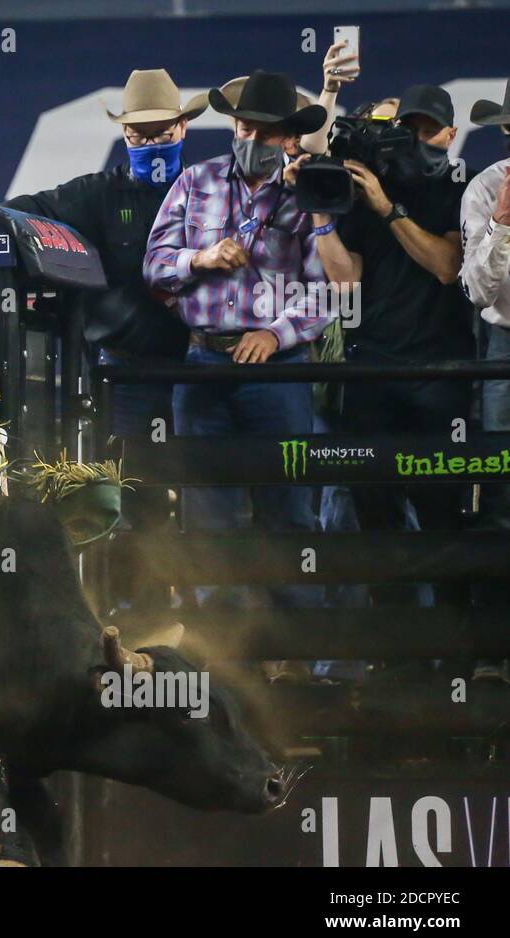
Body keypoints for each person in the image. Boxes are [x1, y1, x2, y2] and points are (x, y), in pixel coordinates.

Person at [4, 68, 206, 620]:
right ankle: (145, 614)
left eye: (162, 131)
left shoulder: (214, 193)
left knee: (212, 491)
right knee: (136, 497)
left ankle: (218, 616)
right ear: (125, 136)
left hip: (208, 368)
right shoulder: (99, 194)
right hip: (131, 373)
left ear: (184, 128)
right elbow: (23, 212)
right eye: (140, 134)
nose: (151, 142)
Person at [143, 70, 331, 633]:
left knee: (289, 511)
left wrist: (275, 333)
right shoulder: (195, 182)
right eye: (243, 125)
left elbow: (325, 290)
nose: (249, 137)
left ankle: (303, 654)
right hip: (204, 363)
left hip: (278, 371)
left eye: (264, 130)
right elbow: (154, 267)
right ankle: (224, 656)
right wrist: (197, 260)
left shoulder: (307, 197)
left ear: (288, 138)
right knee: (207, 511)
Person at [297, 85, 475, 621]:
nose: (411, 140)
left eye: (423, 130)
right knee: (376, 518)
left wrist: (387, 207)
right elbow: (345, 278)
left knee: (442, 514)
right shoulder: (359, 186)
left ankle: (456, 650)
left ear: (448, 135)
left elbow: (447, 266)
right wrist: (322, 212)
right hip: (370, 372)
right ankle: (396, 655)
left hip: (439, 374)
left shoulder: (456, 187)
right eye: (405, 128)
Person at [460, 80, 510, 684]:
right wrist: (501, 225)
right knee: (501, 501)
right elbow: (477, 291)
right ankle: (499, 655)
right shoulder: (486, 188)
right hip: (505, 349)